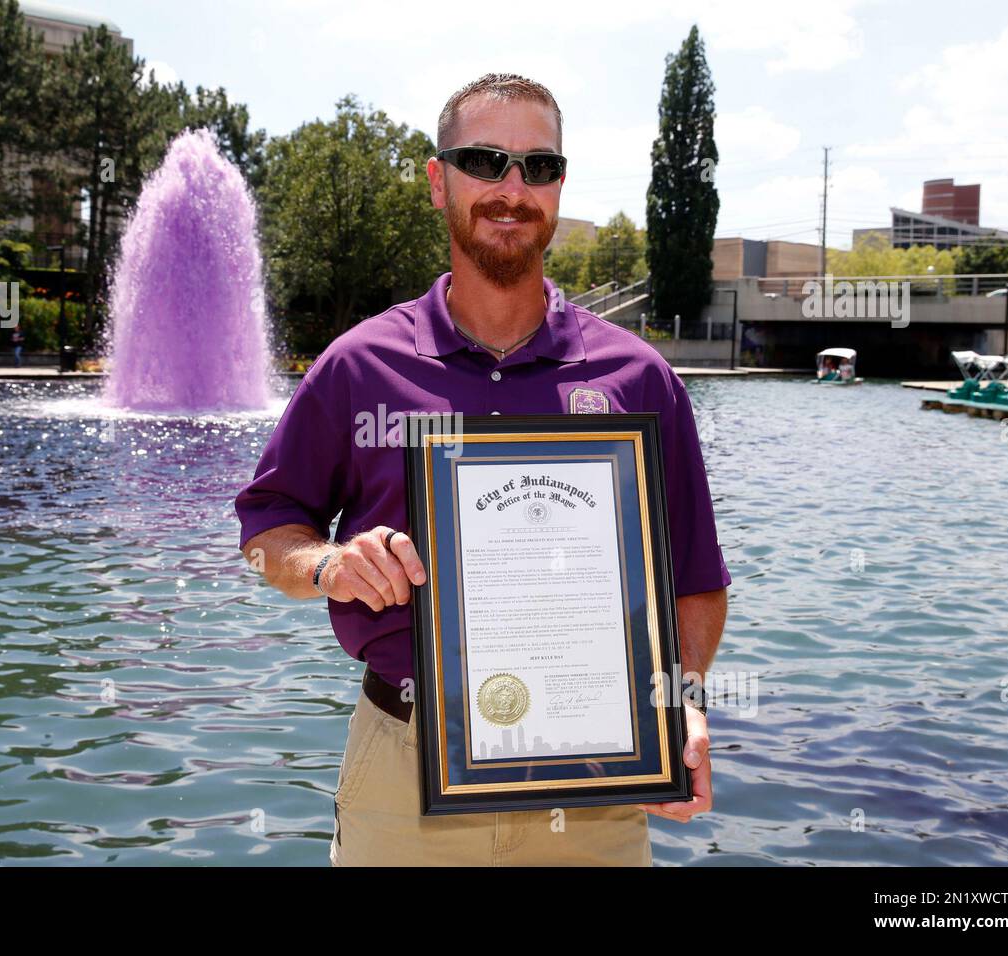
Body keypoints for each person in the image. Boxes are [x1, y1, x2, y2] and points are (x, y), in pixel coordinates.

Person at [236, 73, 730, 866]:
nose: (512, 189)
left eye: (538, 167)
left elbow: (697, 581)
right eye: (484, 160)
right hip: (403, 773)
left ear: (560, 186)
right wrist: (328, 563)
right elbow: (265, 534)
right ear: (439, 180)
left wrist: (683, 704)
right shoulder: (357, 367)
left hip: (598, 780)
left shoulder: (638, 379)